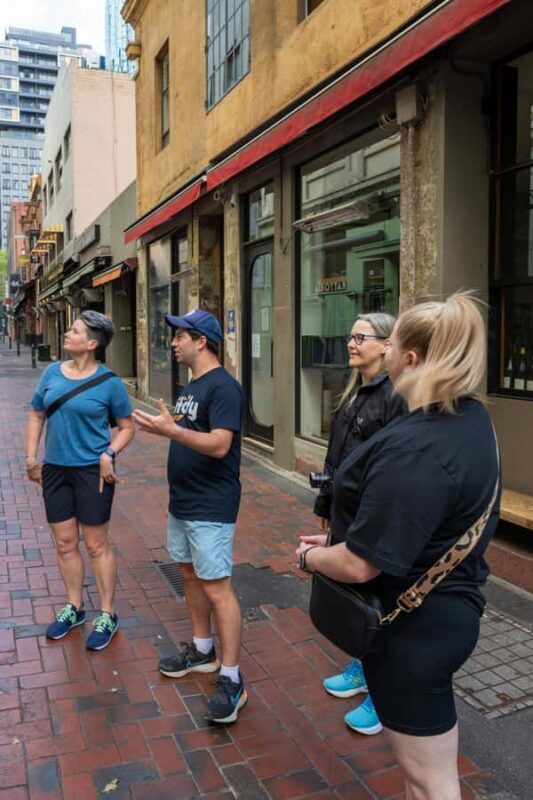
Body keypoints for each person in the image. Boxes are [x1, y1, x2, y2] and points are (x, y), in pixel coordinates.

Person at [297, 292, 500, 800]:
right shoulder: (470, 420)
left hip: (413, 629)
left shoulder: (416, 445)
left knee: (431, 784)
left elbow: (360, 565)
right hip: (447, 612)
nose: (381, 354)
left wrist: (310, 557)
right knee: (428, 777)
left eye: (390, 349)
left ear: (409, 358)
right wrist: (341, 533)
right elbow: (425, 520)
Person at [132, 309, 246, 725]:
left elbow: (219, 445)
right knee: (190, 576)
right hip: (182, 502)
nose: (173, 342)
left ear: (202, 341)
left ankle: (232, 677)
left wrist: (172, 431)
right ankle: (202, 650)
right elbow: (185, 432)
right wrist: (166, 428)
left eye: (180, 336)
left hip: (211, 505)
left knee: (218, 588)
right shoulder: (191, 385)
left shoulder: (224, 388)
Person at [314, 313, 406, 736]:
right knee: (358, 596)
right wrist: (326, 502)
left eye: (361, 337)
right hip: (347, 515)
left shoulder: (395, 397)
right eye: (350, 336)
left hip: (375, 518)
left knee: (381, 601)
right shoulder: (353, 392)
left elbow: (393, 469)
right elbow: (336, 458)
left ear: (387, 345)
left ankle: (382, 691)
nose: (352, 343)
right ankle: (363, 665)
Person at [26, 311, 135, 650]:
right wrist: (31, 458)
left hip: (92, 471)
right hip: (55, 470)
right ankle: (74, 607)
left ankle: (108, 613)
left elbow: (127, 426)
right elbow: (37, 414)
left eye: (74, 331)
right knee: (64, 543)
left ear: (91, 343)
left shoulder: (110, 383)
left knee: (96, 544)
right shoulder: (50, 373)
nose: (66, 335)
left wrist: (109, 454)